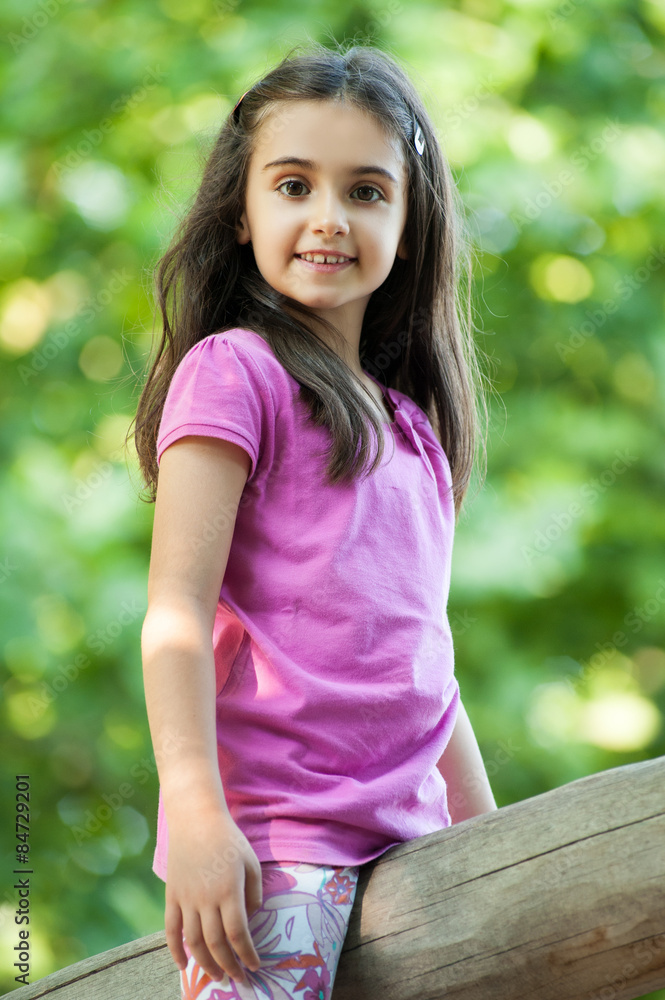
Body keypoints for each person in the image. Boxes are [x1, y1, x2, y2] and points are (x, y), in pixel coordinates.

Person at [131, 38, 498, 1000]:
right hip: (278, 842)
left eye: (366, 192)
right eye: (293, 186)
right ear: (242, 215)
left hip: (417, 854)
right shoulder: (233, 373)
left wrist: (492, 835)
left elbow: (427, 663)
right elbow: (174, 611)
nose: (327, 218)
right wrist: (197, 816)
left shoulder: (414, 431)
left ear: (410, 225)